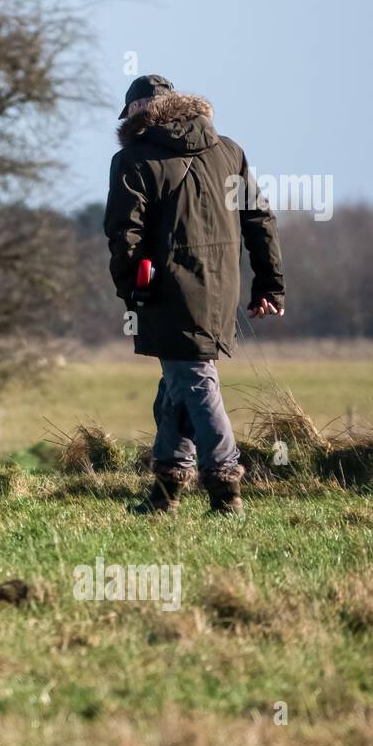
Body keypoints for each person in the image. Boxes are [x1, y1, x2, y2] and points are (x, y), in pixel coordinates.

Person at [104, 75, 285, 515]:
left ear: (134, 114)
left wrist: (130, 287)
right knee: (176, 388)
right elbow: (259, 219)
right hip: (222, 289)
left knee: (198, 386)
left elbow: (122, 233)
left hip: (167, 291)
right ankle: (165, 494)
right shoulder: (229, 151)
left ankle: (227, 492)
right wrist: (268, 284)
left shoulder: (132, 160)